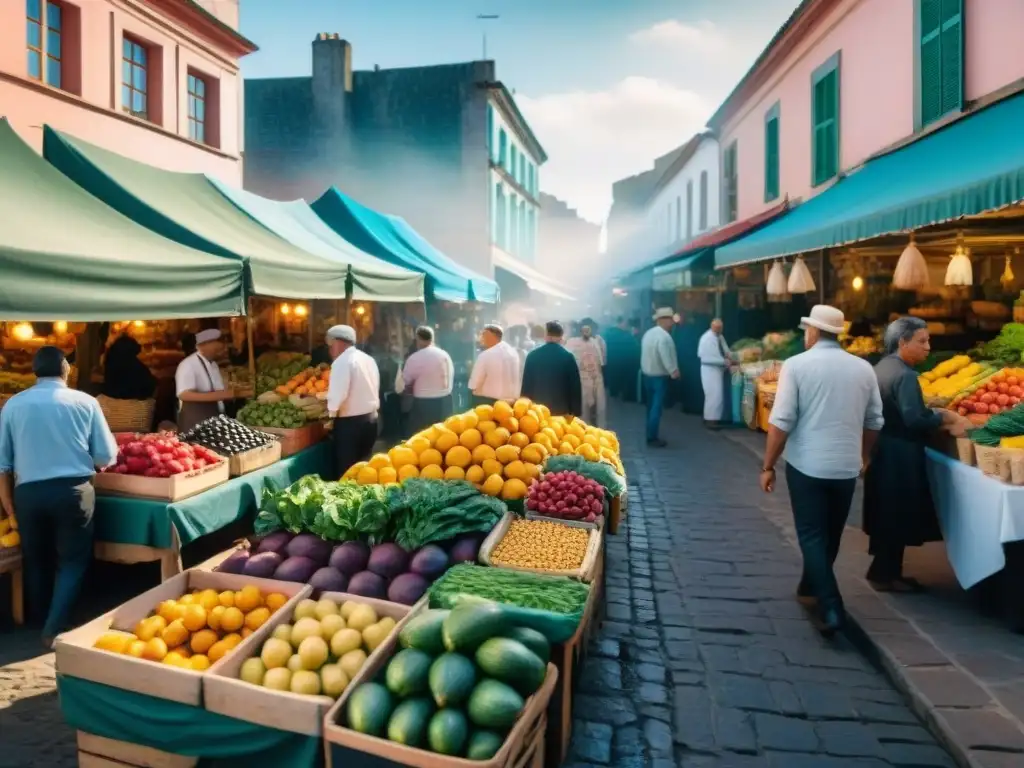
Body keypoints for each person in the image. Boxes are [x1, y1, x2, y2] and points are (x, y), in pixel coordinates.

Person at [760, 305, 884, 636]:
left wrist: (768, 465)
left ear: (814, 332)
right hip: (845, 467)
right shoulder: (863, 368)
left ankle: (831, 605)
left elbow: (781, 421)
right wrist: (863, 456)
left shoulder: (797, 365)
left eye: (807, 331)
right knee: (830, 534)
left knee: (812, 535)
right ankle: (808, 587)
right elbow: (874, 421)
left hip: (807, 465)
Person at [0, 347, 118, 646]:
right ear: (67, 369)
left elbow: (3, 463)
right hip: (73, 492)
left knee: (36, 558)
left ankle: (41, 619)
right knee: (73, 560)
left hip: (28, 493)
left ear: (34, 372)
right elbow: (105, 455)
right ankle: (53, 627)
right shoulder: (86, 402)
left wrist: (8, 501)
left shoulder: (13, 405)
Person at [864, 318, 970, 592]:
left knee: (886, 511)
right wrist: (942, 417)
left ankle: (883, 571)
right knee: (897, 512)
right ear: (903, 342)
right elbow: (914, 419)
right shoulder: (906, 375)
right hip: (901, 453)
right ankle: (885, 575)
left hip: (883, 447)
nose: (928, 347)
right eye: (922, 341)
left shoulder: (882, 367)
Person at [325, 325, 380, 479]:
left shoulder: (342, 361)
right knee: (363, 469)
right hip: (371, 419)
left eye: (330, 344)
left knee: (347, 472)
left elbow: (338, 394)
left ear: (339, 342)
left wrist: (330, 415)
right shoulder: (368, 359)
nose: (330, 349)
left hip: (351, 425)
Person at [396, 326, 455, 436]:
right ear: (433, 338)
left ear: (418, 339)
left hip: (424, 404)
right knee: (445, 437)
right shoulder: (445, 355)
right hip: (446, 401)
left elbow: (404, 383)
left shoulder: (415, 358)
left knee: (423, 437)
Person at [174, 329, 235, 432]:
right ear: (204, 345)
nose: (223, 350)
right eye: (218, 348)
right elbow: (184, 395)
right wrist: (224, 395)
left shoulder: (214, 365)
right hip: (194, 423)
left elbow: (217, 389)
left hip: (214, 420)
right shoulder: (188, 365)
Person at [522, 321, 582, 418]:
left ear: (546, 335)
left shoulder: (532, 356)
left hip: (537, 413)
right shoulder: (568, 357)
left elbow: (526, 386)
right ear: (561, 336)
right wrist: (576, 412)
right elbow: (575, 387)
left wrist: (523, 411)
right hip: (561, 412)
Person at [640, 308, 680, 447]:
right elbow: (665, 356)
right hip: (659, 376)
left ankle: (649, 433)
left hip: (647, 375)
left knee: (650, 407)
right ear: (664, 320)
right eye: (670, 320)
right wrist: (673, 370)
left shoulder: (648, 334)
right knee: (656, 407)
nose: (672, 323)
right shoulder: (664, 337)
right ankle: (652, 437)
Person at [566, 321, 607, 426]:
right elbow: (603, 362)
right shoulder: (599, 342)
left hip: (584, 381)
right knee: (596, 413)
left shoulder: (571, 343)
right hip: (591, 380)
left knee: (584, 415)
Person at [467, 324, 520, 406]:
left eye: (483, 335)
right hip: (512, 402)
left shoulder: (485, 355)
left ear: (490, 336)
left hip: (489, 402)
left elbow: (474, 383)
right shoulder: (513, 352)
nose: (481, 339)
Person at [698, 318, 733, 429]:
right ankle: (710, 420)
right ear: (712, 327)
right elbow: (706, 358)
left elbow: (725, 349)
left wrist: (730, 356)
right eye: (717, 327)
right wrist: (725, 362)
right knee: (713, 395)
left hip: (717, 370)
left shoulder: (719, 337)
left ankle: (712, 419)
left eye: (720, 328)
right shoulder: (707, 339)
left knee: (716, 395)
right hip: (710, 370)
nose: (719, 330)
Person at [102, 333, 156, 401]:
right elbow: (149, 386)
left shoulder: (111, 362)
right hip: (134, 400)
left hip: (112, 396)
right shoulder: (137, 366)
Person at [604, 317, 631, 399]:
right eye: (625, 323)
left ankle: (613, 392)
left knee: (613, 376)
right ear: (621, 323)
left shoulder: (608, 332)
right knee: (620, 376)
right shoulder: (624, 334)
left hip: (611, 358)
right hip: (621, 359)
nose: (626, 325)